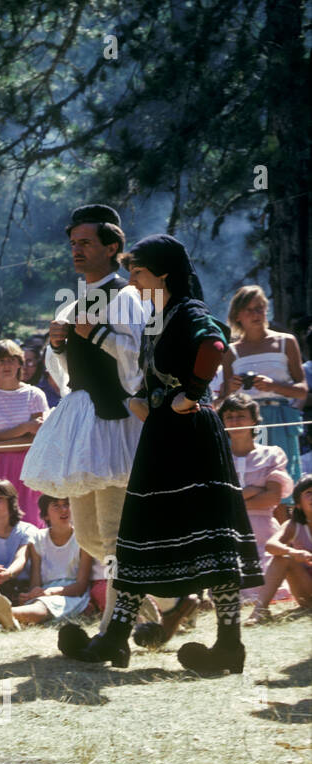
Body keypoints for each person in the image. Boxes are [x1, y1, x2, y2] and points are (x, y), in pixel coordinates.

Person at [63, 234, 263, 673]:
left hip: (192, 438)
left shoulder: (188, 311)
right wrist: (145, 402)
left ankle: (229, 645)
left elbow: (214, 344)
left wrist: (190, 395)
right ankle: (116, 638)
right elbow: (152, 379)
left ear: (164, 274)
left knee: (212, 539)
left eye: (138, 272)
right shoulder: (159, 317)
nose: (132, 280)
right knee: (139, 534)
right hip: (163, 436)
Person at [21, 204, 149, 644]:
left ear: (112, 248)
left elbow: (137, 362)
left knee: (113, 536)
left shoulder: (128, 296)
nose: (77, 250)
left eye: (86, 242)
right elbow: (66, 374)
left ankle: (112, 632)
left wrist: (93, 334)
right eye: (73, 243)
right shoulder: (77, 301)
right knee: (91, 537)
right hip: (81, 424)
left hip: (116, 422)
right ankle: (163, 606)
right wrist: (58, 346)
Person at [221, 286, 306, 499]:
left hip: (280, 417)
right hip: (246, 422)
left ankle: (285, 520)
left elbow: (302, 391)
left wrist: (273, 386)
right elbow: (223, 400)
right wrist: (231, 388)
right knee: (249, 478)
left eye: (260, 308)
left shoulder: (286, 342)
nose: (256, 314)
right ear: (237, 315)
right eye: (249, 310)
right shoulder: (231, 352)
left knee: (283, 482)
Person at [0, 494, 93, 632]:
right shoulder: (38, 539)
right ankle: (0, 617)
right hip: (43, 593)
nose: (64, 510)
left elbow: (81, 586)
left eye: (66, 504)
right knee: (36, 603)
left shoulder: (82, 539)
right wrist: (31, 594)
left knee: (42, 606)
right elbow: (35, 581)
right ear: (46, 515)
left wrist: (51, 592)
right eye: (56, 506)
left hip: (71, 594)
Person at [0, 339, 50, 527]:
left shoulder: (35, 395)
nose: (6, 365)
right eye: (0, 361)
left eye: (11, 360)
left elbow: (34, 441)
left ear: (19, 363)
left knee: (30, 523)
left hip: (28, 469)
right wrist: (26, 427)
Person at [219, 393, 293, 578]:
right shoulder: (217, 458)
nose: (235, 421)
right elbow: (215, 503)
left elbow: (273, 498)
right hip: (228, 534)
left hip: (263, 533)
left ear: (253, 420)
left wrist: (234, 503)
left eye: (241, 416)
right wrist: (250, 492)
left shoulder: (272, 454)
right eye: (229, 417)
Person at [245, 474, 312, 623]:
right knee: (282, 559)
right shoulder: (293, 526)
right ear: (298, 504)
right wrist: (293, 552)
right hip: (307, 592)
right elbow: (270, 545)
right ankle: (260, 611)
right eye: (309, 493)